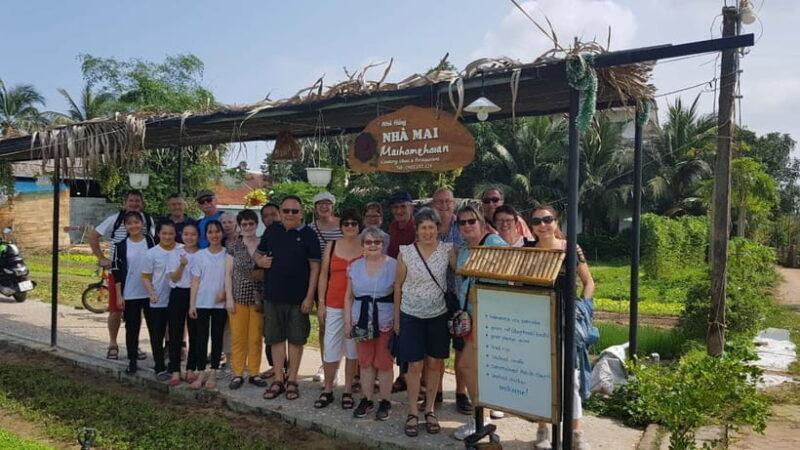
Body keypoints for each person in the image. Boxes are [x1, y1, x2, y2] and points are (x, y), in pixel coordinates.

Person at [528, 205, 595, 450]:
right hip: (535, 321)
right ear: (532, 226)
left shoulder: (571, 248)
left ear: (557, 222)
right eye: (537, 220)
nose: (542, 224)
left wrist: (582, 310)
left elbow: (588, 283)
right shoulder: (526, 250)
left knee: (571, 378)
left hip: (566, 320)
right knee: (540, 378)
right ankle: (543, 428)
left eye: (548, 219)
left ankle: (577, 432)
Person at [394, 208, 454, 438]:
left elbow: (462, 269)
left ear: (438, 228)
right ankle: (412, 411)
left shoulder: (447, 250)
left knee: (435, 364)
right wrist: (397, 319)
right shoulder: (406, 253)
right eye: (423, 228)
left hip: (438, 315)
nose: (428, 232)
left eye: (432, 227)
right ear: (416, 231)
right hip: (411, 315)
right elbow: (398, 286)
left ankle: (429, 409)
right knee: (414, 365)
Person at [451, 205, 509, 440]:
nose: (466, 226)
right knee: (470, 367)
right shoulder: (465, 249)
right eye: (462, 223)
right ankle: (479, 417)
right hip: (471, 316)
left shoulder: (494, 243)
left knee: (470, 367)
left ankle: (480, 418)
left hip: (489, 316)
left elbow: (511, 274)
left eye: (470, 221)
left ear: (481, 222)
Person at [256, 195, 321, 401]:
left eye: (295, 211)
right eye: (286, 211)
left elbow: (315, 268)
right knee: (275, 339)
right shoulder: (272, 230)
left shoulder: (310, 235)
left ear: (301, 213)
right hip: (273, 296)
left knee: (296, 339)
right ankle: (278, 379)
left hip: (298, 298)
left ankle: (292, 379)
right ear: (280, 212)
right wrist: (261, 261)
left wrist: (310, 297)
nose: (290, 214)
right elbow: (257, 254)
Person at [89, 190, 155, 361]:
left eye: (137, 201)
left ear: (142, 203)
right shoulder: (115, 219)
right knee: (116, 309)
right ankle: (112, 343)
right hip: (118, 273)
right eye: (131, 201)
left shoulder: (147, 220)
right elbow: (94, 235)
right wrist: (102, 258)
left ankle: (134, 345)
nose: (134, 204)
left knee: (137, 313)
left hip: (142, 275)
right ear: (125, 203)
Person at [344, 226, 397, 421]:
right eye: (368, 242)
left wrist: (398, 322)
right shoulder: (354, 265)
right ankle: (366, 399)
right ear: (362, 245)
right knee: (365, 363)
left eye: (377, 241)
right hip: (361, 320)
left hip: (385, 319)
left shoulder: (393, 265)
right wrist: (348, 322)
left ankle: (385, 401)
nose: (373, 245)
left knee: (384, 363)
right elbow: (348, 296)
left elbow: (398, 295)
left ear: (383, 244)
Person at [315, 209, 362, 410]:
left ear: (359, 226)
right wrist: (322, 302)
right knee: (330, 346)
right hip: (333, 302)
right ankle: (327, 388)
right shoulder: (331, 246)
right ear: (341, 226)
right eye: (346, 223)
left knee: (352, 349)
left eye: (354, 223)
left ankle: (348, 389)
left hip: (357, 304)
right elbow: (323, 275)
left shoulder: (365, 246)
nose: (350, 226)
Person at [224, 209, 267, 390]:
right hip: (239, 296)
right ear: (239, 226)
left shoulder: (263, 244)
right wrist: (229, 298)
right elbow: (227, 273)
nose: (248, 227)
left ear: (256, 225)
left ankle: (255, 372)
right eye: (244, 224)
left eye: (251, 223)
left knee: (255, 337)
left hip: (258, 297)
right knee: (238, 336)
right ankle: (238, 373)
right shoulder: (234, 246)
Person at [110, 211, 156, 375]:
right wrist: (119, 295)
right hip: (131, 293)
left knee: (155, 328)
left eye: (137, 222)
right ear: (125, 226)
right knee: (132, 328)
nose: (134, 226)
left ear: (142, 224)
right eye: (129, 223)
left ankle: (158, 362)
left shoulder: (151, 241)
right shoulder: (120, 245)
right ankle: (132, 361)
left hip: (151, 293)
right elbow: (116, 271)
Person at [188, 220, 228, 389]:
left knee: (217, 337)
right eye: (210, 232)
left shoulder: (228, 254)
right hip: (202, 302)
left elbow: (230, 277)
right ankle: (201, 371)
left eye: (217, 231)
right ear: (206, 236)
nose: (214, 235)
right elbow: (195, 281)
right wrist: (192, 304)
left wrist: (225, 292)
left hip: (220, 303)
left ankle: (213, 372)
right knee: (201, 338)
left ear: (222, 234)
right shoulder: (199, 256)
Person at [308, 191, 342, 384]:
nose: (324, 207)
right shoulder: (311, 228)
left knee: (341, 326)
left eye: (327, 203)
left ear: (333, 206)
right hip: (320, 279)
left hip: (341, 279)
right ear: (315, 208)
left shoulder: (343, 226)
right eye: (320, 204)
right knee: (323, 325)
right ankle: (325, 364)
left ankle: (337, 367)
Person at [141, 221, 181, 381]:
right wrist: (151, 293)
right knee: (157, 334)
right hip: (157, 299)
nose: (168, 237)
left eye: (171, 233)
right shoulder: (152, 253)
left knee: (175, 335)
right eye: (164, 233)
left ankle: (174, 366)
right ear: (158, 234)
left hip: (177, 299)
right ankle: (159, 366)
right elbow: (145, 277)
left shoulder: (181, 250)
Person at [167, 223, 201, 386]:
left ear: (198, 236)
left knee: (195, 334)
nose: (189, 237)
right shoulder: (175, 253)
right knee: (175, 333)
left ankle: (190, 369)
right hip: (178, 293)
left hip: (196, 296)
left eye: (193, 234)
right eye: (186, 234)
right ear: (182, 236)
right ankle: (175, 370)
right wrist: (182, 264)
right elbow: (173, 278)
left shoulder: (202, 255)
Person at [259, 202, 283, 379]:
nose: (270, 219)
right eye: (266, 216)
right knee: (271, 333)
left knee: (291, 334)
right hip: (270, 292)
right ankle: (276, 366)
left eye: (273, 214)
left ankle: (288, 369)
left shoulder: (295, 234)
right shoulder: (265, 238)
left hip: (293, 293)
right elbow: (256, 270)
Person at [386, 192, 415, 259]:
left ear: (411, 208)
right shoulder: (393, 226)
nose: (399, 211)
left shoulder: (418, 229)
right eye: (395, 207)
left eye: (403, 206)